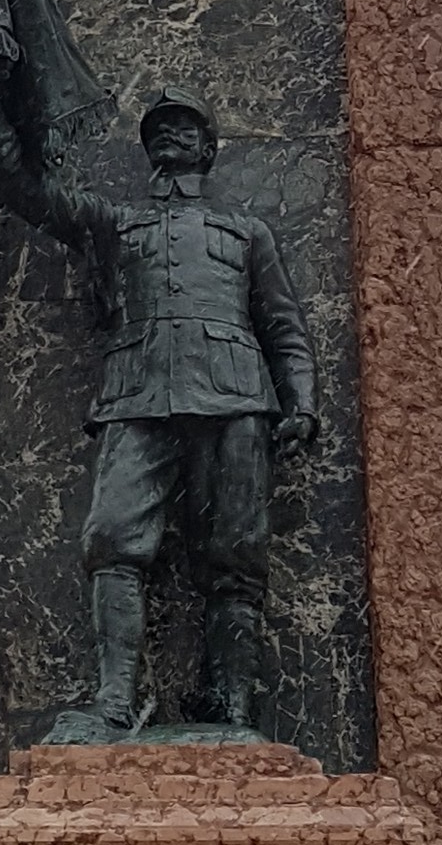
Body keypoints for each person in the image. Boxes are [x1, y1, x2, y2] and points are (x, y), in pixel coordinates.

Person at [21, 92, 317, 733]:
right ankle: (115, 701)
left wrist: (302, 404)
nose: (172, 136)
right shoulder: (114, 222)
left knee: (236, 554)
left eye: (185, 128)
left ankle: (232, 704)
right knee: (110, 538)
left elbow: (284, 325)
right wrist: (1, 123)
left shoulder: (244, 231)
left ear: (209, 148)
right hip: (139, 395)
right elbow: (36, 197)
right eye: (160, 129)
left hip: (235, 396)